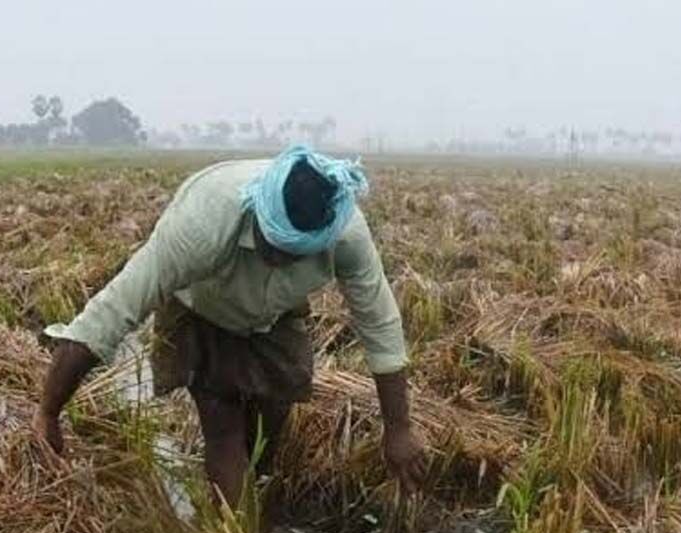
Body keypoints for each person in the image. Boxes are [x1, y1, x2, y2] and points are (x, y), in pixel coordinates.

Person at [32, 146, 427, 504]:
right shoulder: (203, 222)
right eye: (273, 246)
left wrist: (398, 428)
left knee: (269, 428)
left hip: (275, 316)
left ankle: (248, 502)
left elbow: (379, 322)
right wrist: (48, 412)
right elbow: (113, 310)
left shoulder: (345, 233)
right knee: (223, 429)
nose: (279, 260)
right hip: (202, 309)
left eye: (294, 255)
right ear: (260, 212)